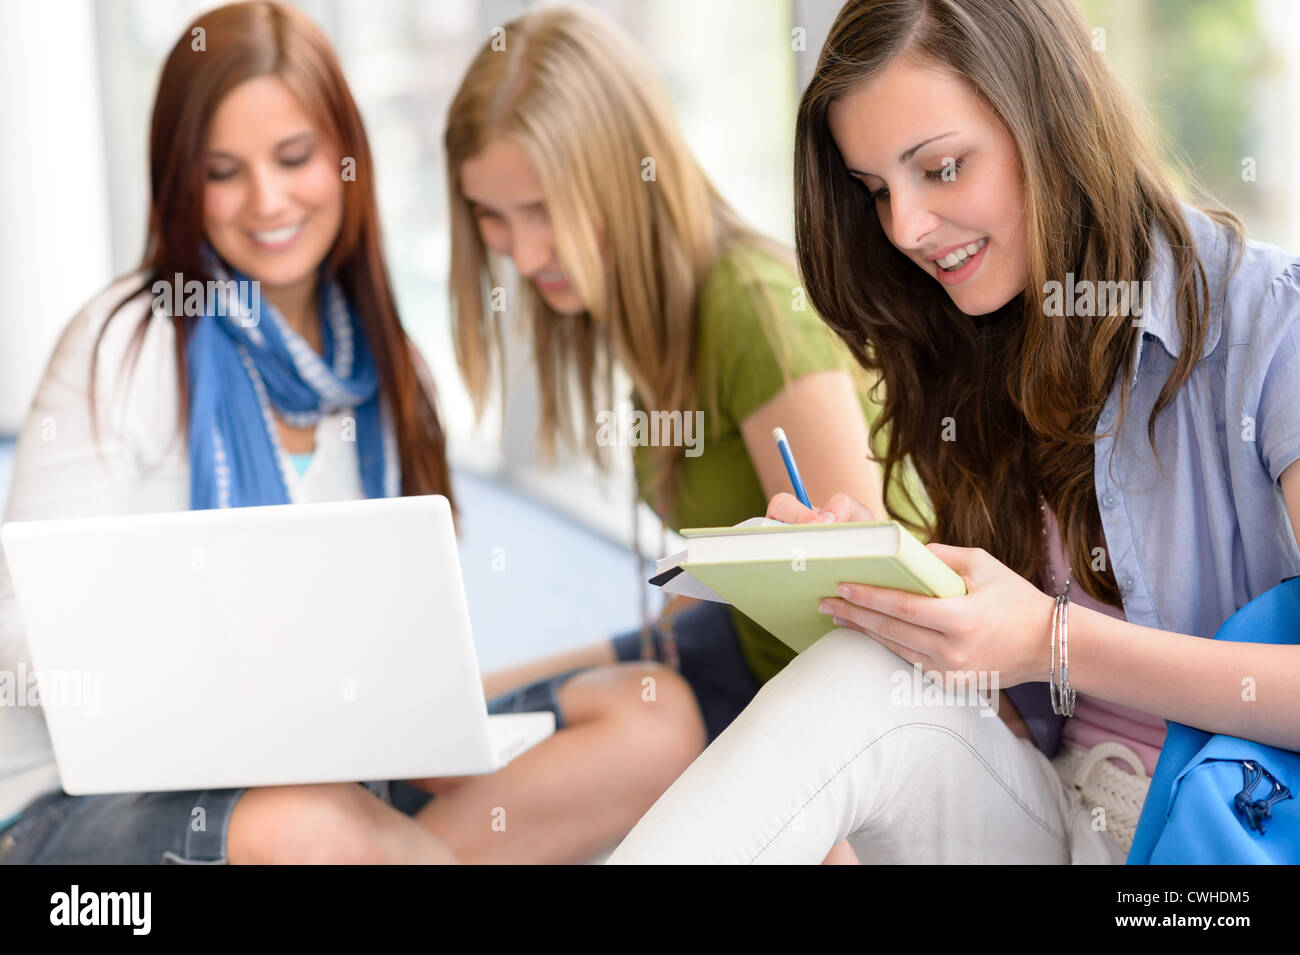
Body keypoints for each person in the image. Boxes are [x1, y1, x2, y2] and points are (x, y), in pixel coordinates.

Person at [0, 0, 703, 866]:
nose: (267, 201)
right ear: (181, 180)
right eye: (224, 171)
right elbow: (26, 641)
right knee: (305, 821)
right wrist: (258, 707)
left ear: (345, 161)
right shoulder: (125, 343)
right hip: (85, 803)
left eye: (294, 158)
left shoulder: (384, 360)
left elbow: (398, 631)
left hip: (340, 766)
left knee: (653, 716)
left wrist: (408, 717)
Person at [607, 0, 1300, 864]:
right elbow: (1014, 716)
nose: (903, 229)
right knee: (865, 676)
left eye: (939, 168)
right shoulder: (976, 345)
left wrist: (1051, 639)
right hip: (1056, 813)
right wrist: (891, 603)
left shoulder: (1272, 324)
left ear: (1057, 106)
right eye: (875, 192)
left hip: (1222, 847)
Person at [443, 4, 925, 864]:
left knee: (561, 742)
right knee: (456, 721)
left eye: (544, 208)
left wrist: (828, 828)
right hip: (728, 645)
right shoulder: (639, 315)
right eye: (493, 216)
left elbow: (870, 604)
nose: (521, 250)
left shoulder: (747, 303)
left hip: (834, 687)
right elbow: (711, 588)